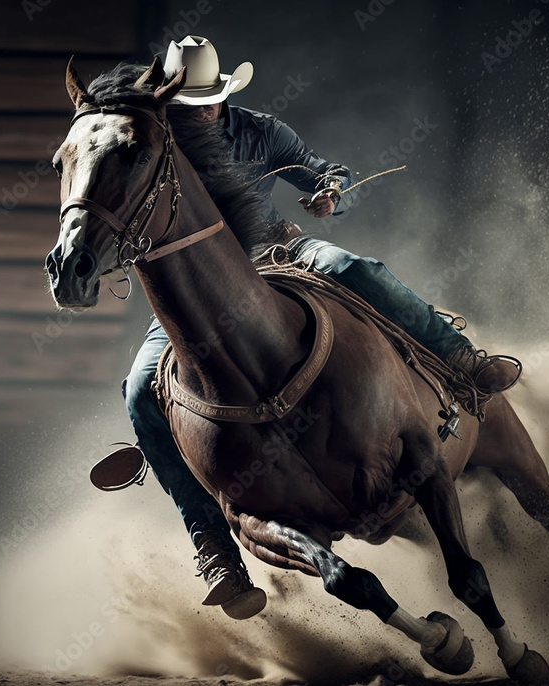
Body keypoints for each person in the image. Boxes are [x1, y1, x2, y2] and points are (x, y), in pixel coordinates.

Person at [120, 36, 522, 619]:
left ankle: (459, 358)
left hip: (278, 257)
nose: (200, 111)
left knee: (352, 267)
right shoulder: (155, 146)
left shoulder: (261, 131)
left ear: (225, 96)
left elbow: (324, 172)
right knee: (138, 390)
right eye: (188, 103)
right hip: (198, 301)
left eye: (208, 100)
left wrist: (332, 192)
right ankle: (215, 551)